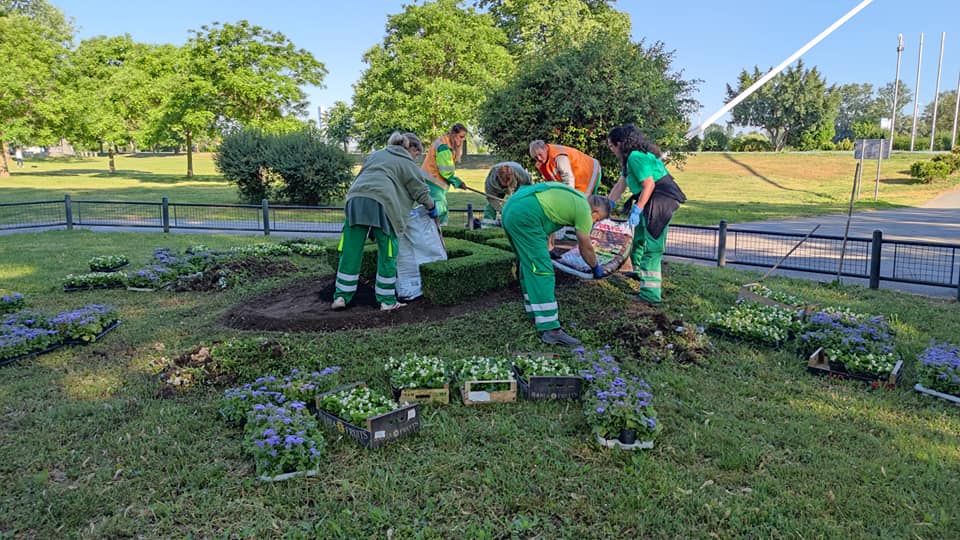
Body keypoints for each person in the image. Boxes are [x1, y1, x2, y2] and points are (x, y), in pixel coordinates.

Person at [332, 132, 438, 312]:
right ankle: (386, 300)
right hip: (383, 204)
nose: (416, 158)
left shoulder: (376, 155)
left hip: (355, 201)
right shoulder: (406, 161)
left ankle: (341, 296)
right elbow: (419, 190)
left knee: (350, 249)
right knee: (388, 251)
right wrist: (432, 206)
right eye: (417, 154)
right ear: (410, 148)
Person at [501, 182, 612, 346]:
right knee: (543, 271)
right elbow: (585, 245)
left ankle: (534, 312)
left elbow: (549, 214)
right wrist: (595, 267)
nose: (594, 223)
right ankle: (551, 330)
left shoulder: (576, 197)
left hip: (512, 208)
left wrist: (548, 247)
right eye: (597, 219)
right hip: (526, 216)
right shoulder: (584, 210)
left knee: (528, 264)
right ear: (594, 212)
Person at [606, 125, 686, 304]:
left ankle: (650, 294)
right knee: (638, 238)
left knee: (652, 247)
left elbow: (649, 184)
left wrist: (638, 209)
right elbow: (621, 184)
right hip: (650, 199)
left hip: (660, 200)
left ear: (620, 143)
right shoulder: (630, 159)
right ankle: (639, 272)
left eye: (611, 146)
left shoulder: (636, 157)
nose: (611, 150)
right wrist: (607, 204)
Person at [421, 123, 469, 225]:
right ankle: (437, 229)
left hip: (433, 182)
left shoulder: (445, 144)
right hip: (433, 182)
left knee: (439, 209)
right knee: (440, 210)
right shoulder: (443, 147)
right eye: (461, 137)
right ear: (454, 134)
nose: (462, 140)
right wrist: (458, 182)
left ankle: (438, 229)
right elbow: (446, 171)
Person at [528, 140, 602, 195]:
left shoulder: (558, 157)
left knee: (583, 201)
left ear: (545, 149)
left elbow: (568, 178)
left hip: (590, 170)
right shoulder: (542, 165)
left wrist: (568, 196)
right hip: (578, 176)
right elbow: (554, 184)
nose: (539, 158)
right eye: (535, 157)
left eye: (540, 154)